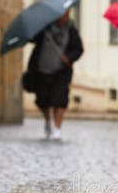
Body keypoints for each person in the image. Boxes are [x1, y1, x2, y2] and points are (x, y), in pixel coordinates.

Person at [27, 9, 84, 140]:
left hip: (61, 71)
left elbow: (78, 49)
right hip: (42, 70)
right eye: (63, 15)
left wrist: (69, 57)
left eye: (67, 15)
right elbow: (32, 39)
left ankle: (57, 129)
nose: (65, 17)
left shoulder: (71, 30)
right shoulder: (45, 29)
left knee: (60, 99)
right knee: (43, 100)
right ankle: (47, 121)